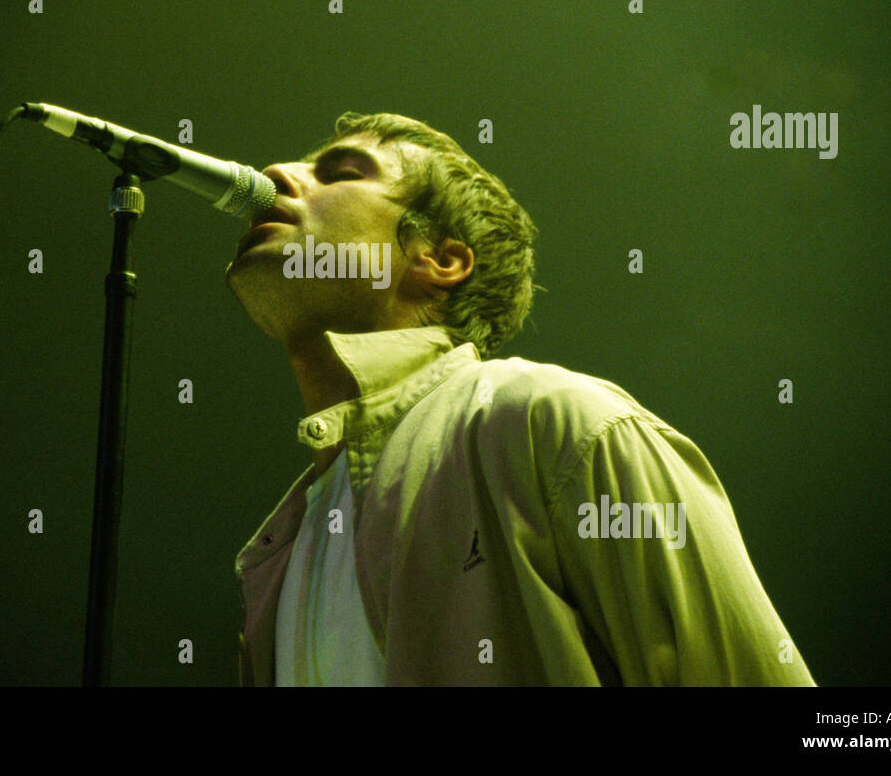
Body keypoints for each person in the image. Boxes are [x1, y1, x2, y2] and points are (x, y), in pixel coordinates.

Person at [224, 111, 816, 686]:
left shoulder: (551, 422)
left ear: (441, 259)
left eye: (345, 172)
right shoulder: (280, 551)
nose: (277, 173)